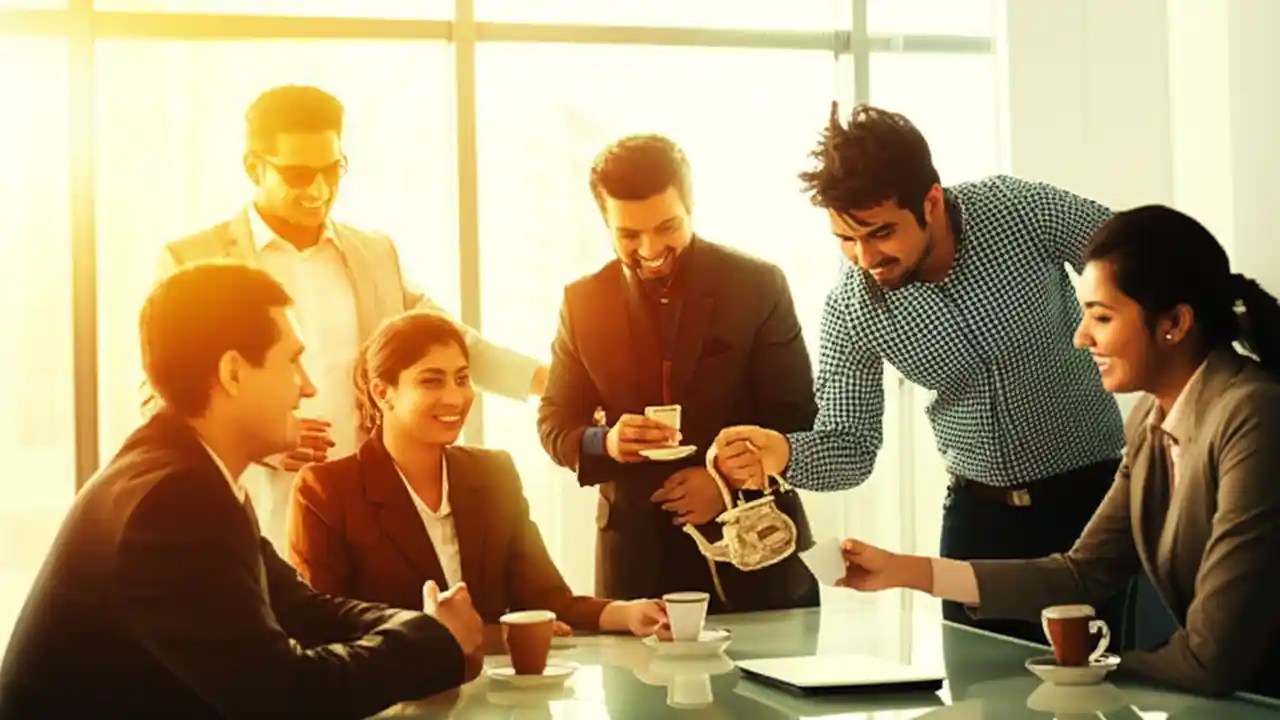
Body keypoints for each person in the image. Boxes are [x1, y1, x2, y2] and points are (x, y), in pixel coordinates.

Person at [712, 104, 1128, 641]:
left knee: (1111, 689)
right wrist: (781, 454)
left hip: (1093, 502)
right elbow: (851, 446)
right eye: (846, 238)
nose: (865, 257)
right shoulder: (851, 305)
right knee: (982, 698)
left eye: (881, 233)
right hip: (979, 522)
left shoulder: (1020, 209)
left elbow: (1132, 258)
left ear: (930, 202)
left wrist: (1108, 328)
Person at [0, 262, 485, 718]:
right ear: (233, 373)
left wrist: (417, 626)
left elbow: (298, 608)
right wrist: (434, 640)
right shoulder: (174, 500)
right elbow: (282, 699)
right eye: (293, 362)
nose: (308, 387)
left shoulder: (187, 470)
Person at [832, 206, 1280, 696]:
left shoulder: (1252, 414)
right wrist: (903, 571)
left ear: (1174, 322)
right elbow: (1081, 573)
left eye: (1101, 317)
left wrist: (1092, 667)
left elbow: (1211, 660)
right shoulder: (1151, 423)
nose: (1081, 336)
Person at [157, 85, 547, 549]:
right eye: (298, 174)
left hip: (364, 510)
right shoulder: (194, 261)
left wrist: (555, 384)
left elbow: (450, 342)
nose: (319, 190)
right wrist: (259, 436)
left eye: (332, 170)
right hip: (251, 508)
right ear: (252, 167)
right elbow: (159, 395)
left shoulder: (374, 254)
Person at [537, 134, 819, 612]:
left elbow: (794, 416)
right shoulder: (582, 302)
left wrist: (725, 485)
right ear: (605, 223)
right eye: (628, 235)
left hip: (755, 547)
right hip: (634, 567)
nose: (651, 249)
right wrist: (605, 443)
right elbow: (554, 423)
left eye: (667, 227)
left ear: (691, 207)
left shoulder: (757, 285)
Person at [289, 310, 667, 638]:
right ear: (382, 392)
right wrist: (490, 636)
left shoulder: (492, 473)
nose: (455, 398)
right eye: (431, 380)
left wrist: (627, 613)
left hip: (497, 695)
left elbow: (546, 600)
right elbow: (325, 628)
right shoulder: (327, 491)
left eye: (462, 378)